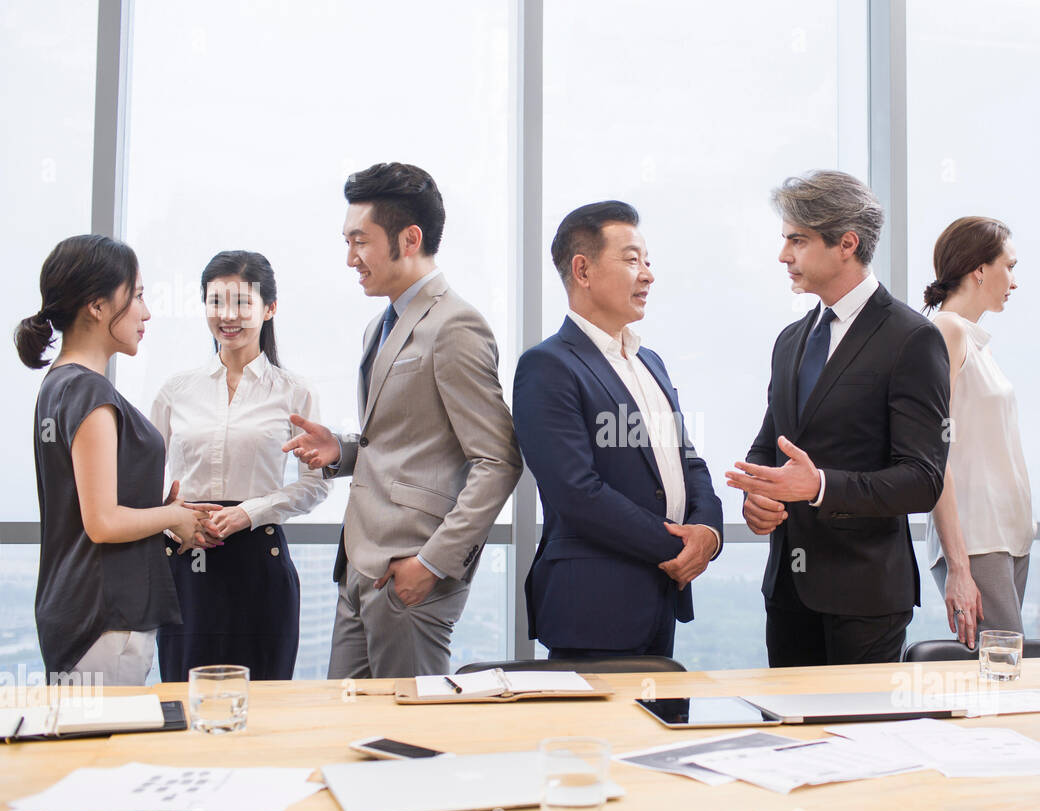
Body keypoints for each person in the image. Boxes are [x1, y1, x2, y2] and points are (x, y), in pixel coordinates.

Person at [284, 163, 521, 677]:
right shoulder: (380, 324)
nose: (351, 258)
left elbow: (498, 460)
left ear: (409, 238)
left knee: (412, 741)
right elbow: (401, 437)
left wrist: (431, 564)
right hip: (360, 568)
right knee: (354, 734)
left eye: (359, 241)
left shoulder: (455, 324)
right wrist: (342, 451)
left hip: (411, 573)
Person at [726, 171, 950, 666]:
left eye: (797, 241)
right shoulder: (790, 339)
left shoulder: (911, 339)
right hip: (787, 592)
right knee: (789, 740)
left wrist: (819, 486)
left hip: (864, 599)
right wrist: (757, 494)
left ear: (846, 243)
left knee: (859, 741)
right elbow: (771, 447)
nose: (784, 255)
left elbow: (922, 480)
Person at [513, 201, 724, 659]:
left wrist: (708, 530)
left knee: (662, 724)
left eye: (647, 261)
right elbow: (576, 491)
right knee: (597, 733)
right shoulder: (548, 366)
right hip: (592, 603)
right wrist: (677, 545)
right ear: (583, 271)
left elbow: (689, 462)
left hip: (662, 594)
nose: (647, 275)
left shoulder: (651, 363)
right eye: (632, 260)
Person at [15, 235, 214, 685]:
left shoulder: (60, 385)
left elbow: (93, 502)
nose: (147, 312)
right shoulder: (88, 391)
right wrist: (172, 515)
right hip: (104, 615)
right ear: (98, 306)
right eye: (138, 295)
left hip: (84, 608)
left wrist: (160, 510)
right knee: (106, 751)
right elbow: (101, 522)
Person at [150, 251, 330, 681]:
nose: (227, 315)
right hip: (187, 559)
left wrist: (250, 512)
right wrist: (169, 519)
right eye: (215, 302)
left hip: (258, 561)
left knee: (263, 705)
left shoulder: (295, 392)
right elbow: (146, 481)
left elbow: (315, 486)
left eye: (242, 303)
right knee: (184, 699)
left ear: (269, 308)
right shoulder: (176, 391)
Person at [922, 217, 1035, 648]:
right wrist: (958, 564)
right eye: (1009, 266)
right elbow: (933, 449)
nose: (1014, 280)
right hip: (976, 536)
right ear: (979, 270)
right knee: (1002, 666)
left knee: (1004, 667)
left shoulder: (975, 341)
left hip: (1006, 536)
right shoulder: (947, 330)